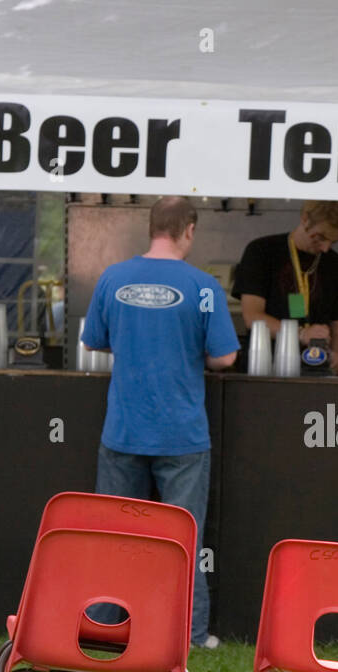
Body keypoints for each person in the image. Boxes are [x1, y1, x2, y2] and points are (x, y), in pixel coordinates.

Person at [81, 196, 239, 648]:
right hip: (181, 433)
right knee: (182, 536)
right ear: (188, 229)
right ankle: (189, 634)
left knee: (113, 533)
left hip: (124, 428)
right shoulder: (204, 285)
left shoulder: (113, 278)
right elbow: (224, 356)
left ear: (151, 228)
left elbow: (94, 340)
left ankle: (103, 626)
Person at [232, 200, 338, 374]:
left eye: (333, 241)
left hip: (317, 373)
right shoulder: (262, 252)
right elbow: (252, 316)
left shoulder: (337, 267)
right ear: (305, 219)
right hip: (264, 369)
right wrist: (300, 334)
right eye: (320, 237)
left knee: (328, 402)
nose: (325, 247)